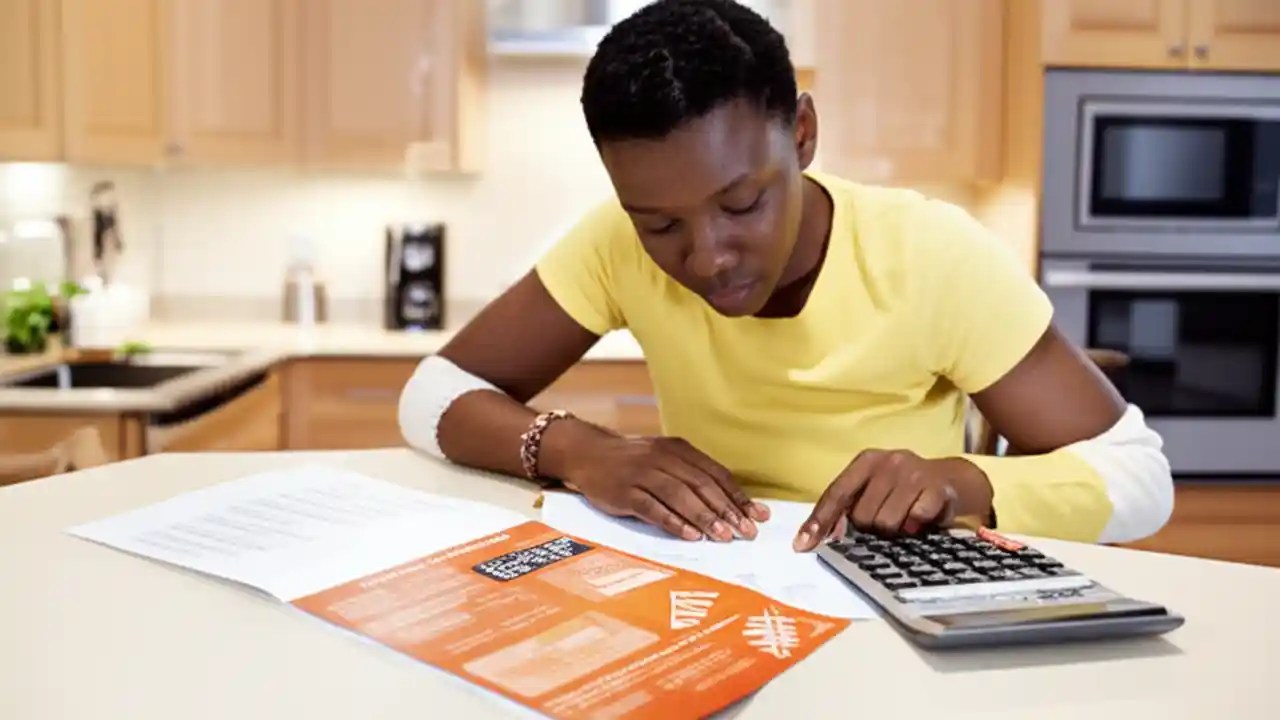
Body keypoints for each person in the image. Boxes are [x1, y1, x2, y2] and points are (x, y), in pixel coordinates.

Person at [399, 0, 1173, 551]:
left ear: (801, 135)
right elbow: (431, 393)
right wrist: (582, 451)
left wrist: (965, 483)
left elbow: (1140, 479)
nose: (707, 257)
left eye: (742, 203)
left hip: (893, 615)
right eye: (660, 225)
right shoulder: (614, 245)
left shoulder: (932, 254)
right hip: (714, 583)